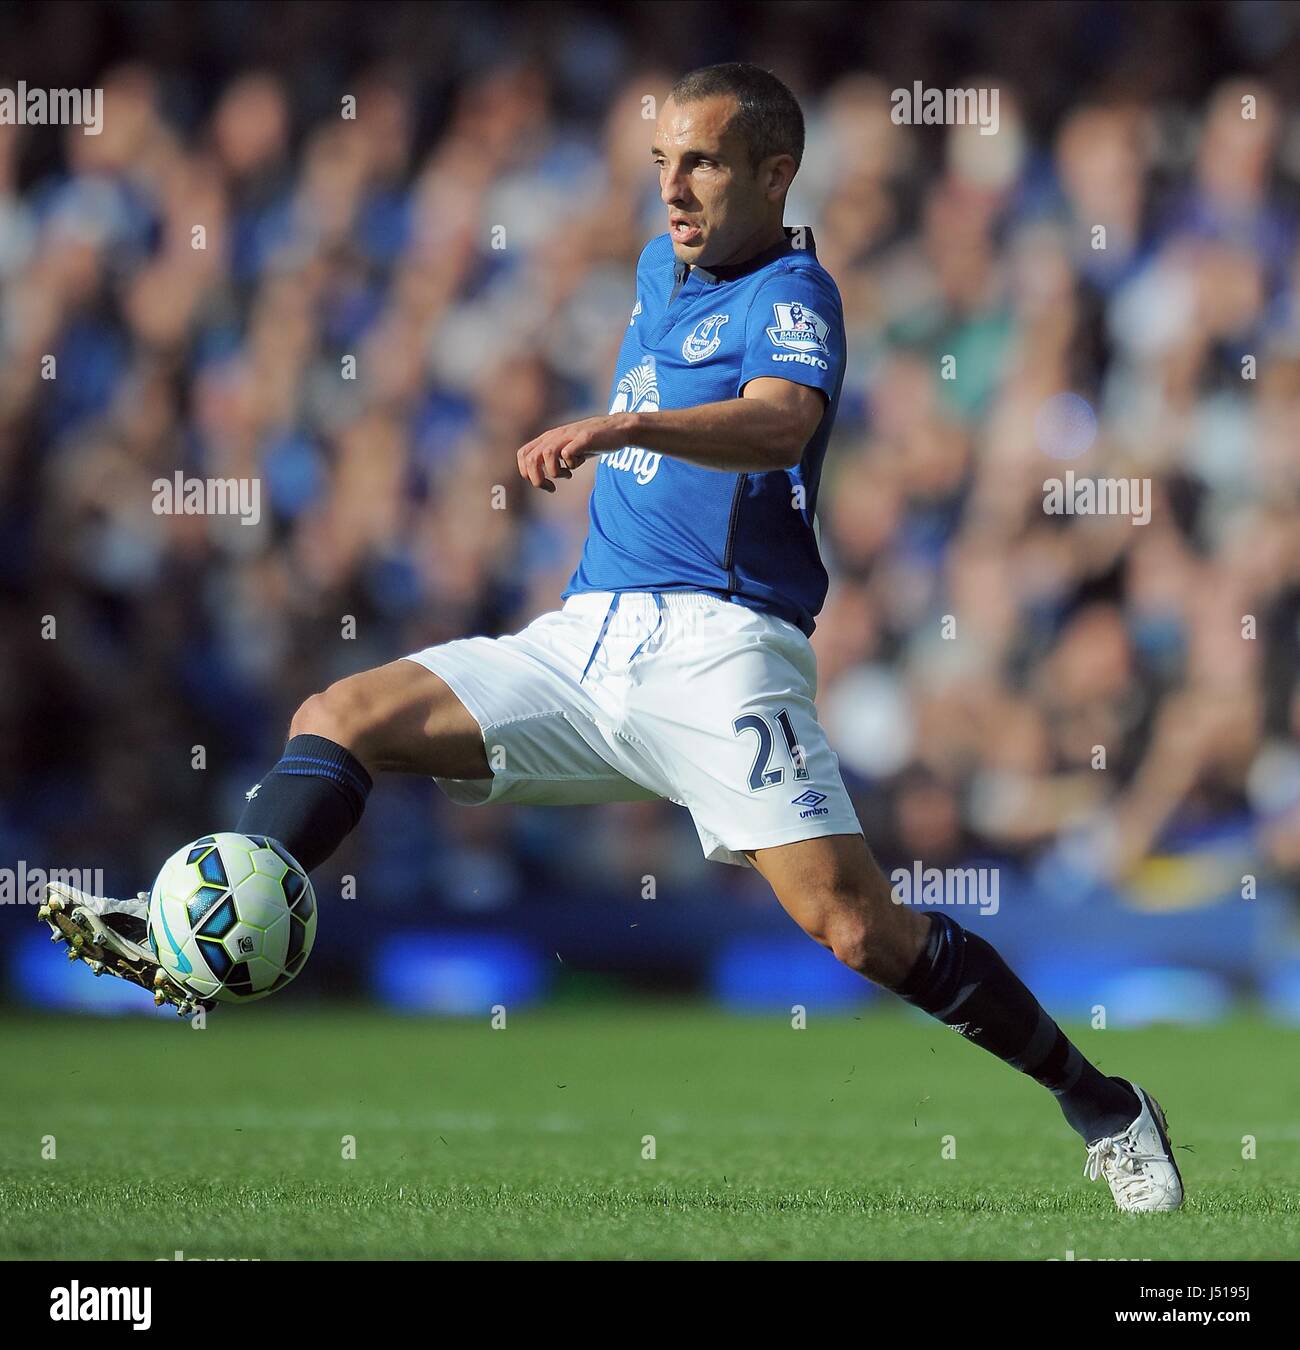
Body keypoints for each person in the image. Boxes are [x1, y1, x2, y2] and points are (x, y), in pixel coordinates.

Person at [41, 62, 1182, 1213]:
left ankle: (1104, 1105)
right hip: (586, 639)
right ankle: (200, 926)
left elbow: (782, 427)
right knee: (338, 717)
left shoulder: (794, 291)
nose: (673, 189)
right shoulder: (656, 266)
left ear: (774, 174)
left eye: (701, 164)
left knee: (853, 929)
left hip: (723, 647)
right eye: (659, 163)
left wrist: (632, 420)